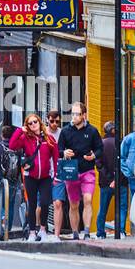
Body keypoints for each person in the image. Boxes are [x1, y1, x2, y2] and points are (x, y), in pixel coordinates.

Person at [56, 101, 103, 240]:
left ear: (84, 115)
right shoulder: (65, 131)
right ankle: (75, 232)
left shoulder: (92, 131)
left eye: (77, 114)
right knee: (74, 204)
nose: (74, 117)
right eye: (73, 114)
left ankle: (87, 232)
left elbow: (100, 148)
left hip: (87, 170)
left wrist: (93, 156)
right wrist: (64, 153)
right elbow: (58, 150)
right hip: (71, 171)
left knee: (88, 199)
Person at [10, 113, 56, 242]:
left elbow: (55, 155)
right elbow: (12, 146)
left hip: (46, 177)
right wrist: (20, 130)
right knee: (32, 204)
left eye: (35, 122)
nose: (33, 125)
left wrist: (56, 173)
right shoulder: (25, 138)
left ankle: (42, 230)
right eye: (30, 123)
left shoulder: (48, 138)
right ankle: (31, 232)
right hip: (31, 176)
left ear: (39, 122)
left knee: (45, 202)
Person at [0, 124, 21, 240]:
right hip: (13, 180)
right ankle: (8, 229)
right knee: (10, 205)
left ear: (2, 135)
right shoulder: (16, 148)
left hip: (1, 180)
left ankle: (2, 217)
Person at [45, 111, 68, 238]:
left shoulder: (63, 133)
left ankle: (56, 235)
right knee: (41, 204)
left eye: (57, 122)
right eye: (52, 121)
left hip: (59, 171)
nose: (54, 124)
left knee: (58, 203)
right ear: (47, 120)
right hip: (43, 171)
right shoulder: (43, 133)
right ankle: (40, 230)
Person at [95, 121, 117, 239]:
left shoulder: (101, 144)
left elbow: (98, 164)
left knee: (103, 208)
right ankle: (121, 230)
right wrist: (115, 178)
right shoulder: (119, 142)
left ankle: (100, 232)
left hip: (105, 182)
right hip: (119, 181)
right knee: (121, 207)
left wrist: (108, 178)